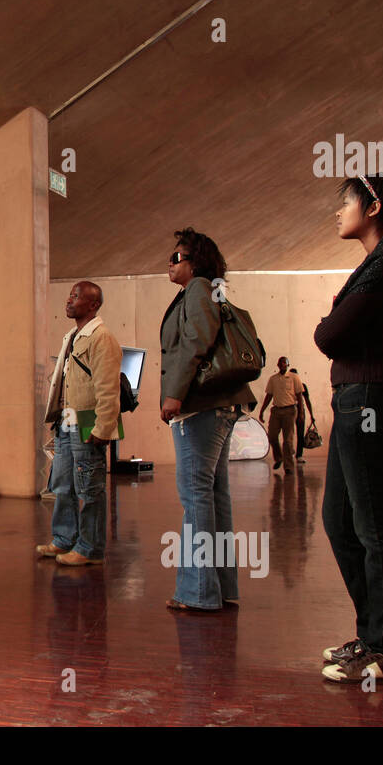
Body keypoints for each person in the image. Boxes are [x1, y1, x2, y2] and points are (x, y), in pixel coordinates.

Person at [314, 173, 383, 684]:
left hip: (373, 396)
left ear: (373, 207)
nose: (339, 212)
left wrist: (331, 320)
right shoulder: (379, 262)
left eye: (347, 202)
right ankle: (373, 632)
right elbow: (339, 332)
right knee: (339, 520)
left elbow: (329, 335)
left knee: (375, 525)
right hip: (358, 396)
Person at [159, 228, 256, 612]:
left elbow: (196, 341)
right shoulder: (210, 290)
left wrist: (174, 393)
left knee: (195, 494)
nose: (170, 263)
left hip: (200, 405)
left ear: (195, 261)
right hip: (221, 405)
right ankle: (221, 586)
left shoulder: (199, 289)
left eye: (176, 257)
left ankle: (199, 591)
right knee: (214, 494)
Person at [38, 281, 122, 566]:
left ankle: (90, 548)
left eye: (76, 296)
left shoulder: (101, 337)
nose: (69, 300)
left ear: (93, 304)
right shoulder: (73, 335)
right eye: (70, 295)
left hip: (87, 421)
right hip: (66, 421)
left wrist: (103, 428)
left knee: (89, 488)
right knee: (63, 485)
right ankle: (64, 539)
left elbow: (108, 388)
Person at [258, 357, 301, 475]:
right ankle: (279, 458)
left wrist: (301, 413)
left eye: (284, 362)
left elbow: (299, 396)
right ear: (277, 365)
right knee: (272, 436)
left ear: (288, 364)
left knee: (287, 440)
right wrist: (262, 410)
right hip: (276, 411)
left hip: (290, 410)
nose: (282, 364)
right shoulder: (273, 379)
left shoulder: (294, 377)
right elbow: (269, 396)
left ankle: (288, 466)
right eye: (280, 362)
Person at [291, 368, 315, 464]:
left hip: (300, 410)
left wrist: (311, 415)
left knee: (300, 434)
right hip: (289, 410)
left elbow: (307, 401)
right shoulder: (286, 386)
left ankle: (299, 455)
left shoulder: (302, 386)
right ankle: (291, 451)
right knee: (289, 433)